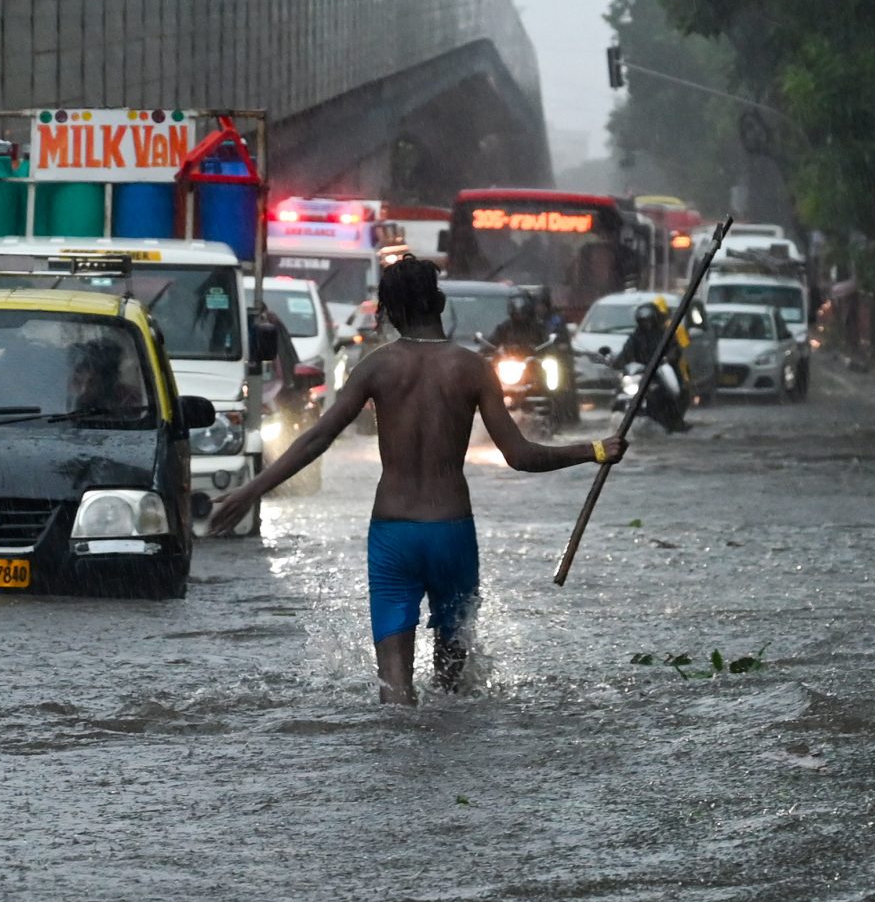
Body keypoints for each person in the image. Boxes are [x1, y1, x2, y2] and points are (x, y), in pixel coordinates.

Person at [207, 257, 624, 705]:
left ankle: (393, 770)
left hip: (393, 535)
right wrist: (595, 450)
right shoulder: (473, 368)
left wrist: (251, 490)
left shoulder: (375, 368)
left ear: (387, 311)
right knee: (452, 685)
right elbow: (521, 456)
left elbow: (316, 440)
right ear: (440, 303)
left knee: (394, 687)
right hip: (452, 533)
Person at [613, 301, 690, 433]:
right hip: (639, 373)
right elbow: (625, 352)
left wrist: (667, 358)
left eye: (648, 321)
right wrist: (616, 362)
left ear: (655, 320)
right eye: (643, 321)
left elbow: (675, 349)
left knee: (672, 391)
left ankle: (675, 422)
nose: (646, 324)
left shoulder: (665, 335)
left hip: (659, 372)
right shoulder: (635, 337)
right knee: (619, 390)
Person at [490, 288, 553, 352]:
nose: (519, 310)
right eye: (515, 306)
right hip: (509, 360)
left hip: (533, 360)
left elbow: (548, 345)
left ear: (528, 307)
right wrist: (493, 350)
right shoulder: (504, 327)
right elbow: (491, 343)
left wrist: (548, 349)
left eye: (522, 308)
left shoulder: (538, 328)